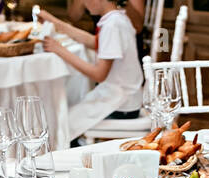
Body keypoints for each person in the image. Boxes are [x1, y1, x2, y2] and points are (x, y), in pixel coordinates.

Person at [39, 0, 143, 143]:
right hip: (128, 98)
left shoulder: (112, 25)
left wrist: (59, 50)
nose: (85, 5)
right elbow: (96, 42)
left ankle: (74, 153)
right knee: (68, 112)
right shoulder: (118, 18)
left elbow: (99, 75)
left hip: (121, 103)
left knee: (61, 123)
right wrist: (53, 21)